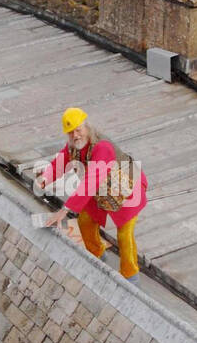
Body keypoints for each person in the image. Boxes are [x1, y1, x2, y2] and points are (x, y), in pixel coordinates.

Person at [36, 107, 147, 280]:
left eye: (78, 130)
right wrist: (44, 178)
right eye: (70, 133)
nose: (75, 135)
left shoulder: (102, 148)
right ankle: (97, 254)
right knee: (85, 222)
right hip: (99, 192)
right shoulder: (74, 146)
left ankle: (130, 275)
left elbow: (90, 182)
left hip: (125, 191)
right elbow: (60, 161)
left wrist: (64, 210)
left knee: (124, 234)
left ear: (86, 127)